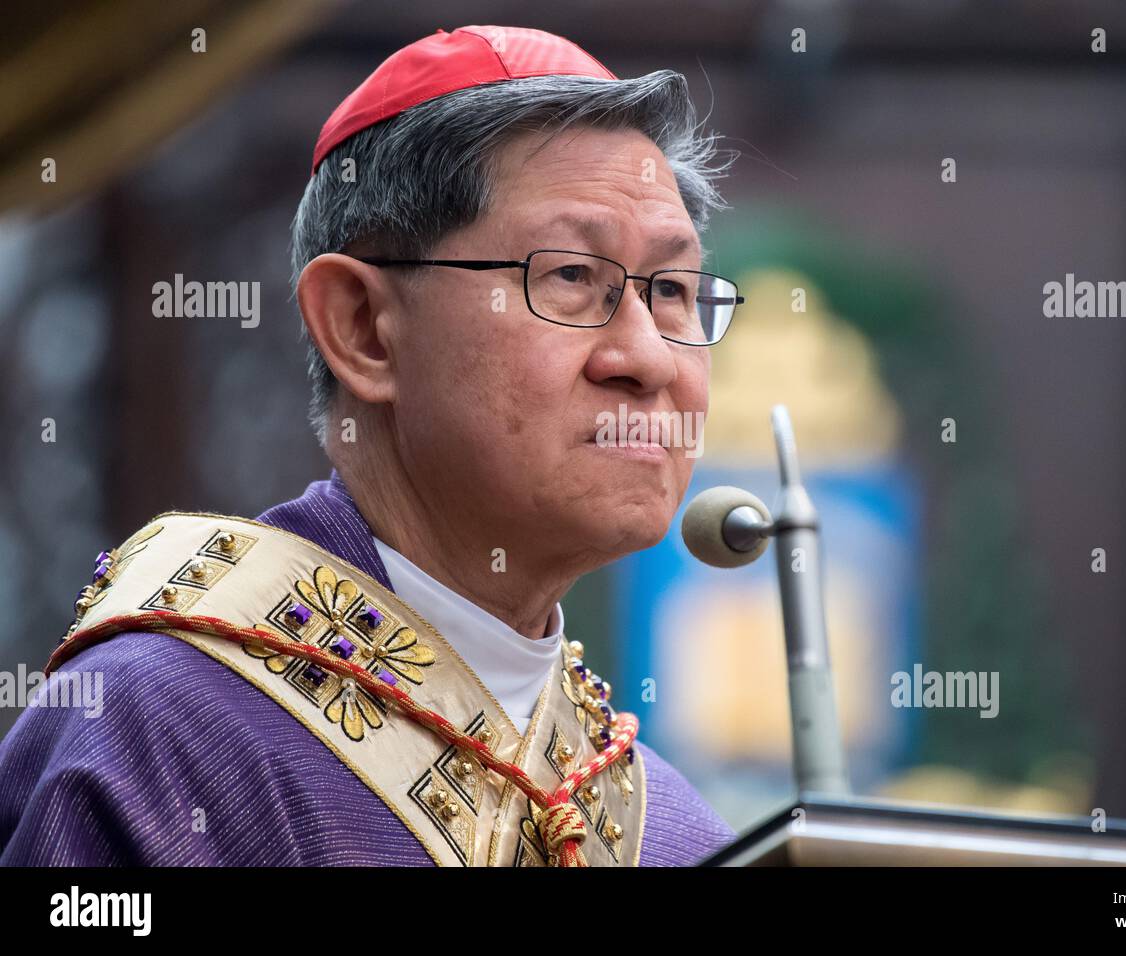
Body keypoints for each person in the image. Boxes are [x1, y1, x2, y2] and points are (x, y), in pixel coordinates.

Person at [0, 24, 743, 867]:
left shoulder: (678, 833)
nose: (647, 358)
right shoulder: (159, 738)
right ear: (363, 330)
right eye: (572, 276)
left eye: (676, 291)